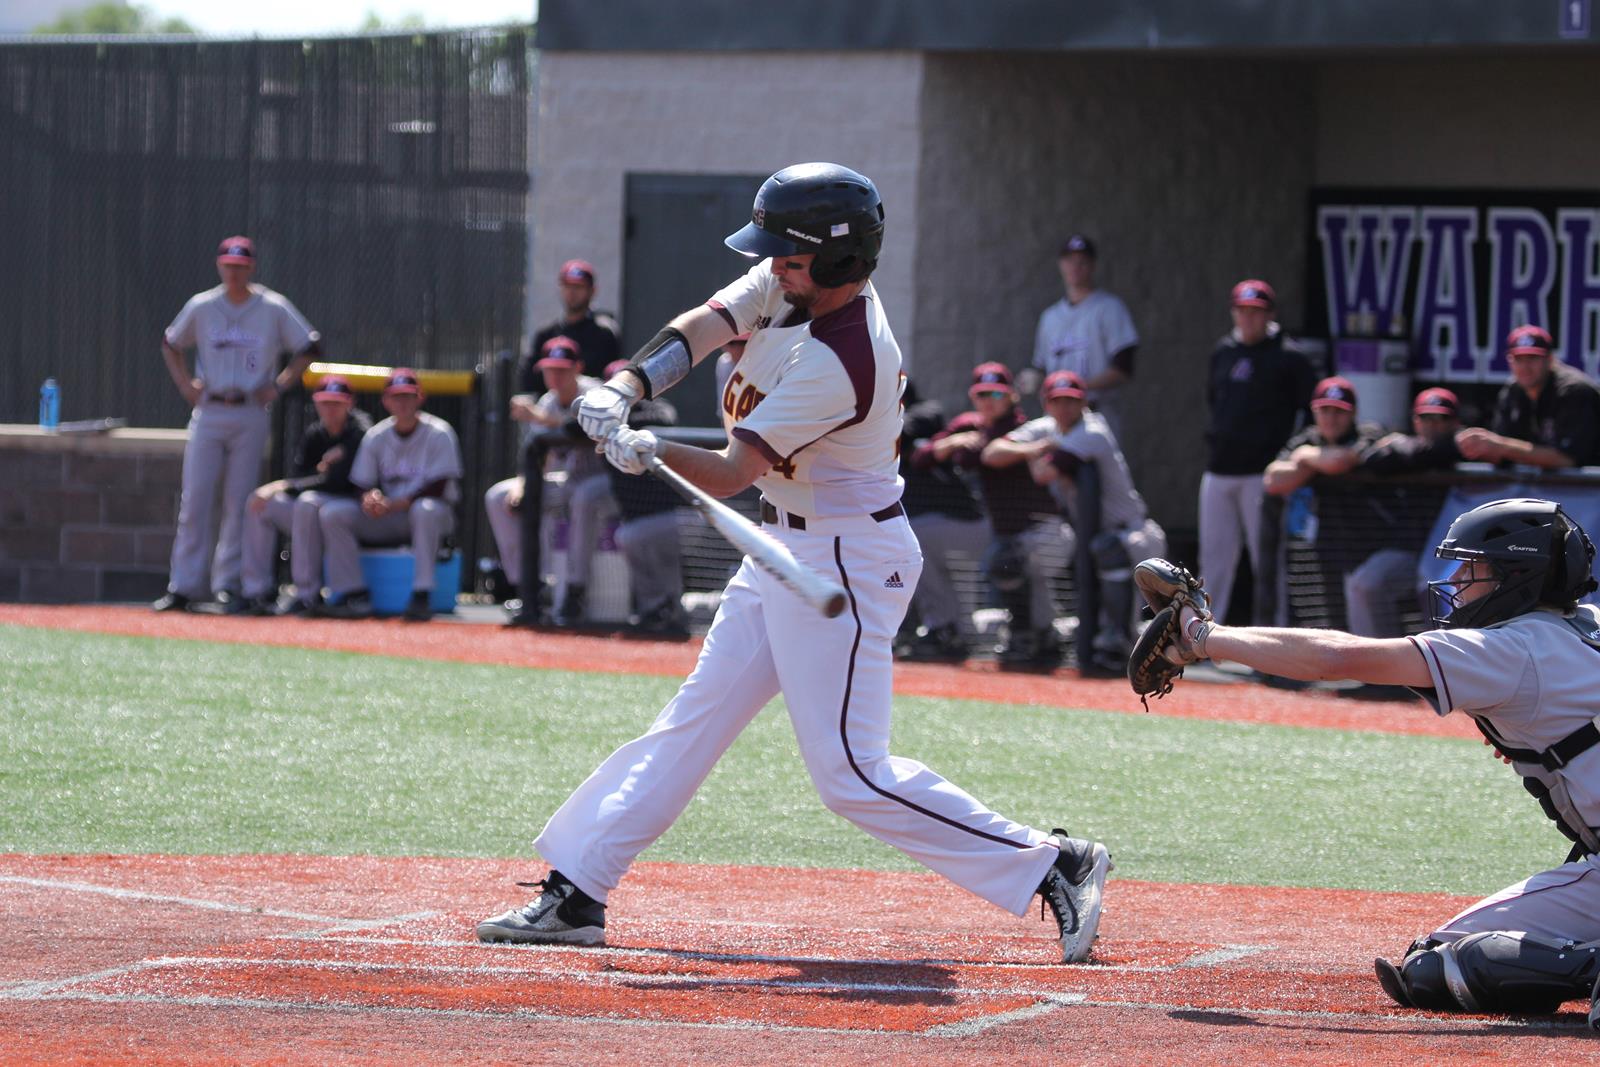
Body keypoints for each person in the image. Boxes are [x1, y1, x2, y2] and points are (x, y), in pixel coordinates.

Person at [475, 162, 1111, 964]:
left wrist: (650, 448)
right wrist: (629, 380)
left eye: (791, 255)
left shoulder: (846, 356)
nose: (774, 265)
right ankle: (578, 890)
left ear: (841, 263)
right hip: (790, 544)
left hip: (845, 556)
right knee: (690, 723)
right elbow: (707, 326)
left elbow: (736, 469)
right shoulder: (794, 282)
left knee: (850, 772)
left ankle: (1056, 862)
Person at [1141, 498, 1600, 1021]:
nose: (1456, 578)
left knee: (1439, 967)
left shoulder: (1511, 649)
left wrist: (1203, 637)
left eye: (1473, 567)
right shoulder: (1585, 623)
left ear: (1519, 576)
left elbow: (1336, 657)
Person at [152, 236, 322, 613]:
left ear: (252, 267)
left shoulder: (272, 306)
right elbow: (171, 342)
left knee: (238, 501)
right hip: (210, 409)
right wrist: (184, 385)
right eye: (229, 265)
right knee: (195, 498)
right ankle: (183, 584)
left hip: (249, 410)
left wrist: (278, 385)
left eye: (241, 265)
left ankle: (227, 584)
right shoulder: (203, 304)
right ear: (219, 266)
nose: (234, 272)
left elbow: (310, 346)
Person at [1011, 370, 1167, 674]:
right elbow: (996, 450)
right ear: (1046, 403)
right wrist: (1036, 447)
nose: (1065, 408)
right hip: (1098, 537)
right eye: (1058, 401)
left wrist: (1037, 449)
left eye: (1072, 400)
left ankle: (1118, 644)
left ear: (1084, 403)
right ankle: (1105, 643)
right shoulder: (1047, 428)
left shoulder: (1093, 431)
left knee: (1111, 560)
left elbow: (1043, 474)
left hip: (1133, 535)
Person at [924, 363, 1073, 667]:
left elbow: (982, 455)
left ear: (1011, 396)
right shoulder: (971, 426)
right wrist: (954, 441)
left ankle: (1029, 634)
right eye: (982, 394)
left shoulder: (1022, 427)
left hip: (1047, 530)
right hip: (1013, 533)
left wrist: (970, 446)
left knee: (1010, 560)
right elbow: (923, 456)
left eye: (996, 393)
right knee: (1010, 560)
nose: (989, 400)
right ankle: (1041, 635)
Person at [1198, 279, 1317, 625]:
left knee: (1267, 561)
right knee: (1214, 561)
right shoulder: (1223, 351)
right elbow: (1213, 402)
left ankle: (1273, 643)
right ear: (1234, 313)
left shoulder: (1289, 356)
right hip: (1219, 469)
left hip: (1262, 476)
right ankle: (1204, 640)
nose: (1249, 319)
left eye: (1257, 313)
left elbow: (1309, 415)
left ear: (1270, 315)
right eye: (1243, 312)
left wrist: (1288, 458)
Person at [318, 369, 463, 621]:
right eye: (396, 397)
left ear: (420, 398)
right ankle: (353, 593)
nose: (402, 402)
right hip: (390, 516)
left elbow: (438, 486)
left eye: (408, 396)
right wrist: (369, 498)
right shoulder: (376, 435)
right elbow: (362, 483)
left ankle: (422, 593)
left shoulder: (439, 432)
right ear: (385, 401)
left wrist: (395, 503)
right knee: (333, 513)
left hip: (433, 516)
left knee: (425, 509)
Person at [483, 337, 607, 627]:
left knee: (583, 497)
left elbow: (588, 431)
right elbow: (538, 457)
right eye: (550, 369)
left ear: (578, 367)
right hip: (567, 482)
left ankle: (574, 593)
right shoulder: (549, 400)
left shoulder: (596, 392)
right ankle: (527, 587)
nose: (555, 375)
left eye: (563, 369)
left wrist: (542, 418)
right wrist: (522, 486)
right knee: (498, 497)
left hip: (605, 482)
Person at [238, 375, 372, 615]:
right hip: (312, 510)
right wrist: (283, 487)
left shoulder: (359, 432)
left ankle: (306, 594)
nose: (330, 408)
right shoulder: (315, 434)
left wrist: (287, 485)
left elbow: (336, 482)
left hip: (347, 508)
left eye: (337, 402)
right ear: (316, 403)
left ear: (350, 403)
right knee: (260, 503)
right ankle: (256, 591)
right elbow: (301, 477)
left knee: (307, 502)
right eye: (325, 402)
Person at [1341, 388, 1463, 640]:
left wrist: (1406, 447)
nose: (1433, 425)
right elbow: (1373, 460)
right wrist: (1410, 448)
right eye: (1426, 418)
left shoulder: (1464, 446)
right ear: (1415, 421)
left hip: (1456, 555)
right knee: (1365, 583)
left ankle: (1447, 669)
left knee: (1439, 588)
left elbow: (1445, 450)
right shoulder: (1407, 447)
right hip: (1412, 549)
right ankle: (1378, 666)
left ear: (1454, 423)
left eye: (1440, 419)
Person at [897, 380, 988, 662]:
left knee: (912, 544)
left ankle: (944, 627)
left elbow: (907, 429)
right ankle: (945, 629)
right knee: (912, 551)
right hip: (943, 527)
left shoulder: (925, 414)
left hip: (970, 523)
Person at [600, 359, 691, 636]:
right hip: (648, 519)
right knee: (634, 537)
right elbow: (572, 426)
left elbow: (664, 419)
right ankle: (661, 609)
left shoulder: (656, 409)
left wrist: (616, 428)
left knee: (635, 538)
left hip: (681, 514)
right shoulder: (602, 418)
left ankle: (668, 609)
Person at [1028, 234, 1139, 438]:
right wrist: (1033, 380)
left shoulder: (1110, 308)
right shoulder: (1049, 317)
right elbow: (1041, 368)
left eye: (1082, 261)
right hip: (1056, 421)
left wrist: (1072, 391)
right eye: (1070, 260)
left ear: (1093, 265)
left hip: (1096, 414)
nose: (1075, 267)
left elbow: (1124, 368)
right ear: (1061, 264)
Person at [1456, 325, 1600, 469]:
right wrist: (1475, 445)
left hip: (1588, 486)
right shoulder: (1513, 391)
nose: (1525, 366)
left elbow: (1567, 460)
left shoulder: (1574, 391)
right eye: (1519, 359)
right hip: (1536, 486)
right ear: (1509, 361)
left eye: (1532, 358)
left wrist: (1500, 446)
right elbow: (1502, 452)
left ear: (1550, 359)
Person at [1261, 377, 1387, 498]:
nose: (1331, 418)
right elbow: (1272, 481)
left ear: (1354, 412)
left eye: (1339, 411)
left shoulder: (1368, 433)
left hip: (1363, 517)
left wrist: (1303, 456)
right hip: (1322, 518)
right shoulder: (1308, 437)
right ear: (1314, 411)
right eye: (1325, 410)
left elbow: (1339, 462)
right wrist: (1316, 463)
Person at [530, 259, 622, 382]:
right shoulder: (546, 334)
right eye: (567, 286)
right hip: (551, 400)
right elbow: (530, 381)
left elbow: (615, 374)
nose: (572, 293)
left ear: (592, 291)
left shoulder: (605, 334)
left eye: (578, 287)